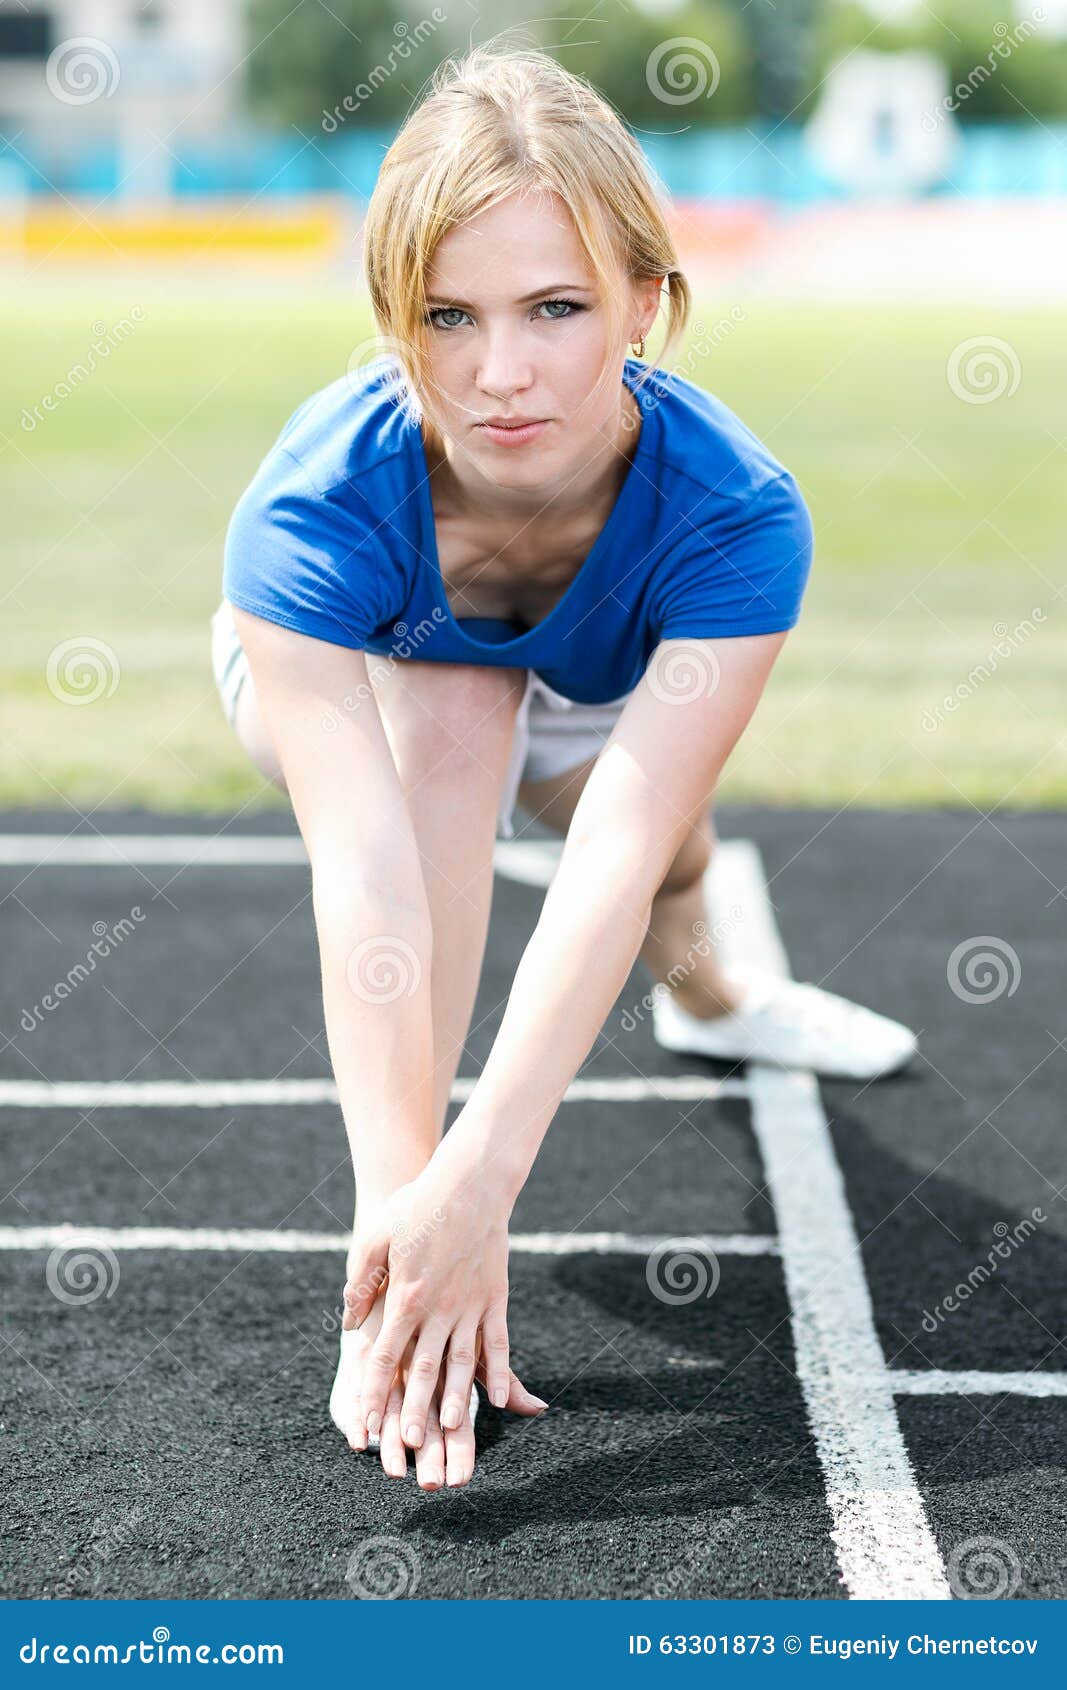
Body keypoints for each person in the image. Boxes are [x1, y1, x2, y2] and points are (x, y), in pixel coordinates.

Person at [209, 43, 917, 1493]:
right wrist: (413, 1222)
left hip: (595, 686)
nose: (501, 373)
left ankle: (717, 999)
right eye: (447, 315)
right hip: (365, 678)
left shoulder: (736, 516)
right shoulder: (314, 507)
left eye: (556, 306)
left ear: (646, 300)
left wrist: (494, 1174)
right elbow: (369, 878)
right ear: (394, 315)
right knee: (457, 706)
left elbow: (615, 852)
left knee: (665, 846)